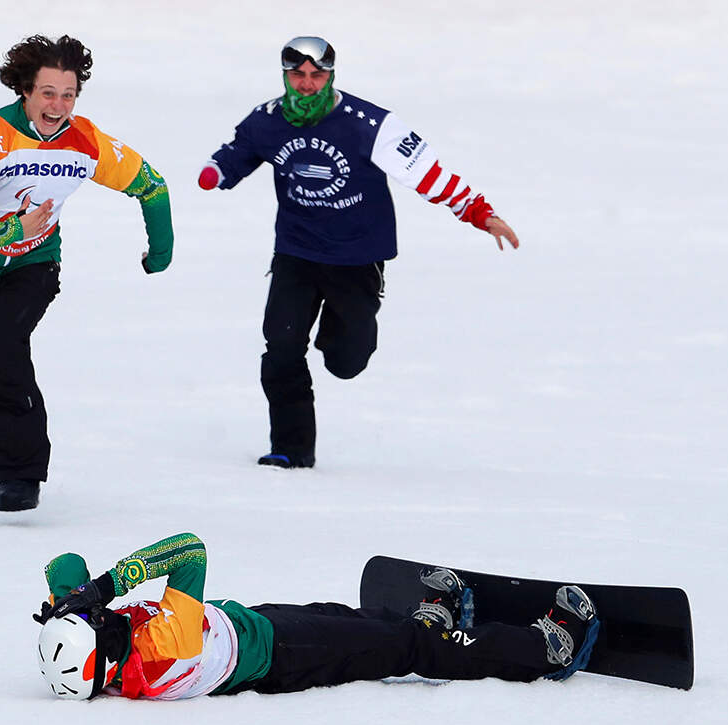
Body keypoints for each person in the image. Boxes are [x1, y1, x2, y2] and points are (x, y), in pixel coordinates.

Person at [198, 37, 520, 469]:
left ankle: (337, 330)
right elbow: (242, 149)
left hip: (356, 257)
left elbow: (429, 174)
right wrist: (218, 171)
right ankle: (290, 450)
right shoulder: (268, 119)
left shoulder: (370, 124)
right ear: (285, 75)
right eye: (299, 75)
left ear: (331, 75)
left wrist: (479, 213)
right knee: (281, 346)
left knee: (348, 362)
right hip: (297, 251)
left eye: (317, 75)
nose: (308, 84)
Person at [0, 35, 173, 511]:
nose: (57, 105)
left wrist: (160, 250)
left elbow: (151, 185)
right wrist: (4, 231)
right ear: (25, 90)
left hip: (36, 263)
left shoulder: (86, 140)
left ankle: (21, 476)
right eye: (47, 92)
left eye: (68, 94)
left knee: (5, 351)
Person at [32, 533, 599, 700]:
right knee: (402, 651)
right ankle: (543, 651)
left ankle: (427, 621)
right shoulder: (159, 648)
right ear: (103, 653)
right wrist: (104, 587)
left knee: (353, 619)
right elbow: (191, 550)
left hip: (254, 625)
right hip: (282, 657)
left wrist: (69, 597)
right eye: (93, 622)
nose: (101, 615)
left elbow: (65, 565)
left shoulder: (105, 657)